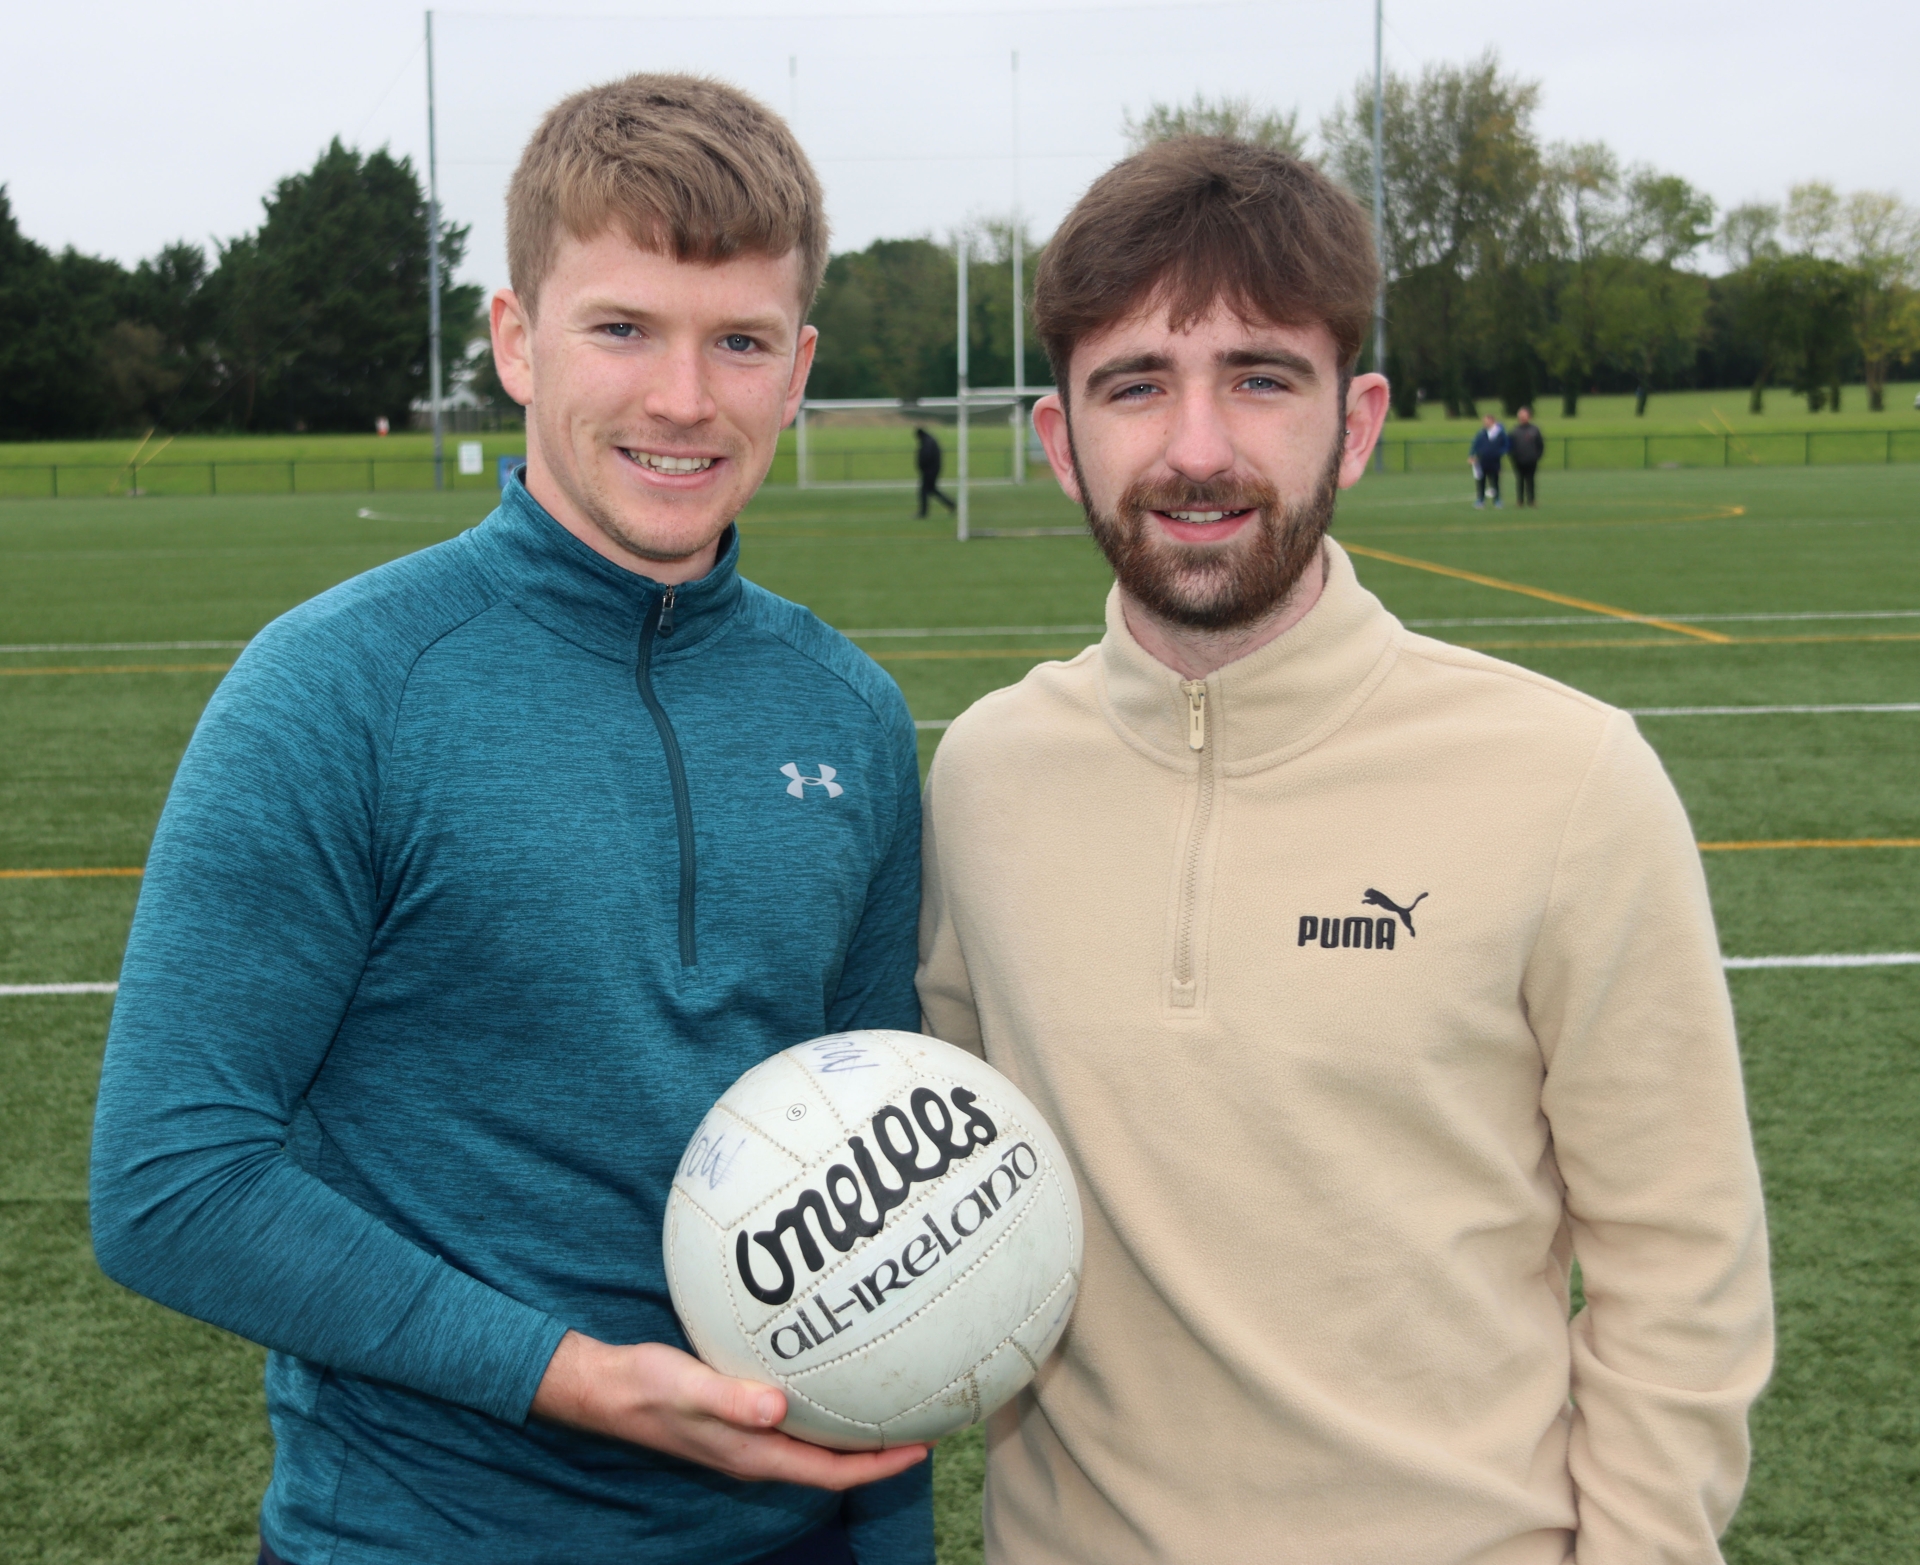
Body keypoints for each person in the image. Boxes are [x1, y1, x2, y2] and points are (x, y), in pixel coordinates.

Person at [90, 74, 932, 1565]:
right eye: (623, 328)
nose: (684, 398)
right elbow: (173, 1179)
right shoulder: (335, 687)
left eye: (739, 341)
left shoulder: (850, 713)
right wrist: (577, 1380)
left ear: (799, 367)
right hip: (414, 1538)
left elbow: (884, 1198)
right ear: (515, 340)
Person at [917, 135, 1771, 1565]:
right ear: (1060, 440)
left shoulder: (1572, 779)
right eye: (1137, 384)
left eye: (1261, 377)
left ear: (1356, 422)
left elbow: (1684, 1270)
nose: (1198, 449)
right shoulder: (984, 777)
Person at [914, 425, 955, 517]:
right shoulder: (930, 440)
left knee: (924, 491)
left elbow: (926, 456)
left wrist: (923, 467)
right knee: (932, 490)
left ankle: (923, 512)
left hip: (929, 471)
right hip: (932, 470)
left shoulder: (927, 442)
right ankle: (951, 504)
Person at [1510, 405, 1546, 506]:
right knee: (1520, 480)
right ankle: (1520, 500)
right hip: (1518, 460)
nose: (1522, 417)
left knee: (1531, 480)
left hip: (1531, 460)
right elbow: (1511, 445)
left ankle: (1531, 500)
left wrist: (1537, 456)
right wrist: (1513, 457)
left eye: (1524, 415)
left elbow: (1540, 444)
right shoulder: (1515, 430)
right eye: (1520, 415)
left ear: (1529, 416)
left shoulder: (1534, 429)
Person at [1470, 410, 1507, 507]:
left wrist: (1499, 452)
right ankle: (1481, 500)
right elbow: (1475, 444)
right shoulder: (1482, 433)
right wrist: (1472, 455)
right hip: (1482, 460)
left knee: (1495, 480)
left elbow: (1506, 445)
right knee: (1481, 480)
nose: (1485, 423)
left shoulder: (1499, 433)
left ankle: (1497, 500)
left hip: (1494, 461)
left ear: (1492, 421)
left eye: (1487, 421)